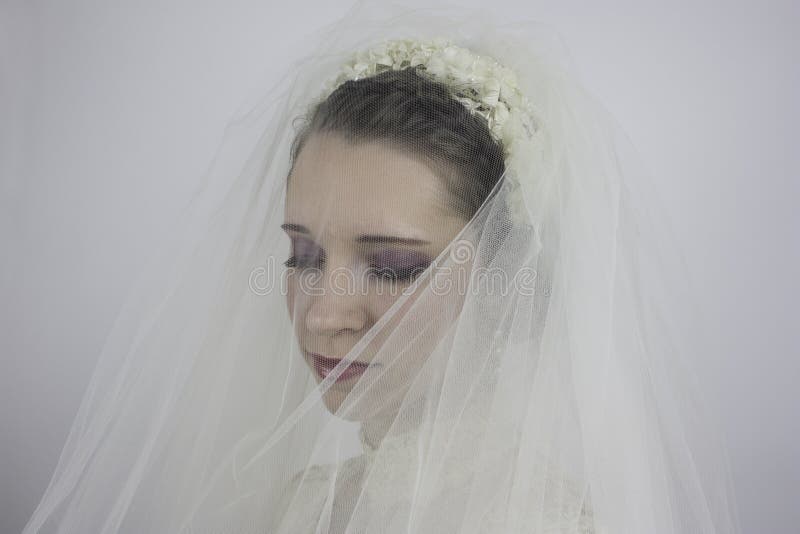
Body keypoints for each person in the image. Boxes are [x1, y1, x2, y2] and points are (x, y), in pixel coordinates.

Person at [22, 2, 741, 533]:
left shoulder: (548, 524)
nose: (320, 314)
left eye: (393, 266)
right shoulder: (303, 506)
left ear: (507, 282)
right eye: (303, 255)